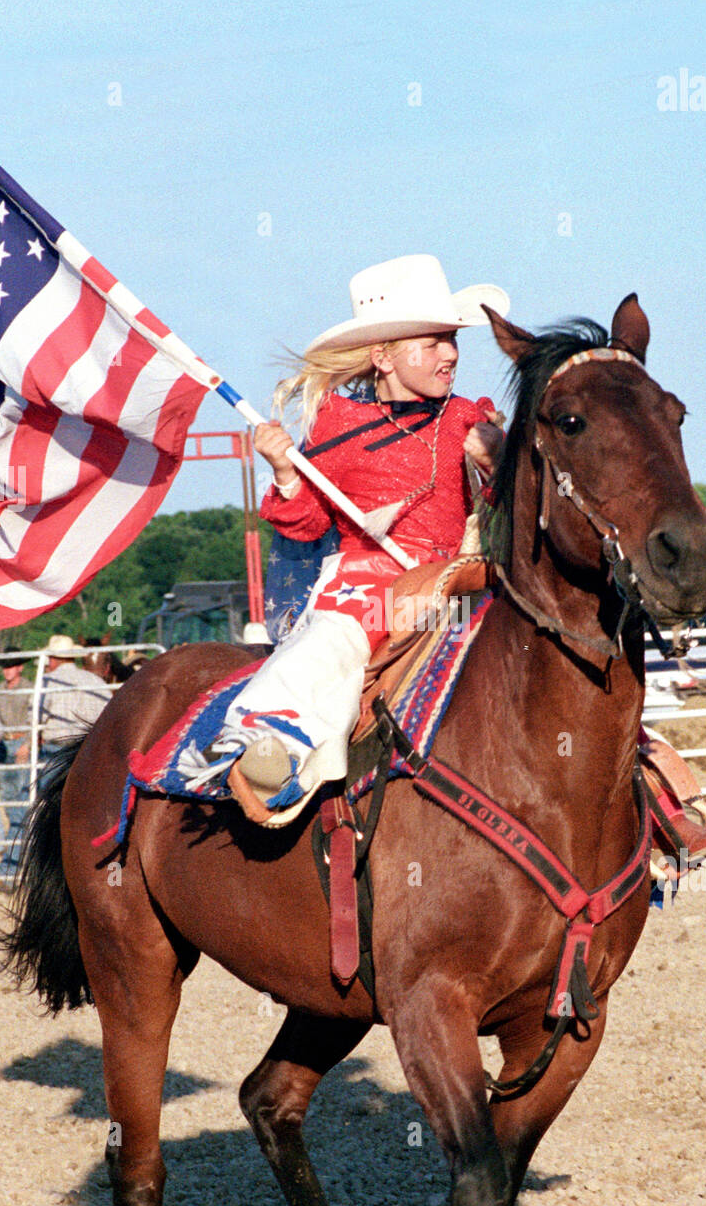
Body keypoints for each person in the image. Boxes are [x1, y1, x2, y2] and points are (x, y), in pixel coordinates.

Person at [200, 254, 509, 822]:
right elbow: (310, 524)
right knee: (333, 641)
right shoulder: (338, 426)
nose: (451, 354)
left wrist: (502, 465)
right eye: (434, 340)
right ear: (382, 355)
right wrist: (288, 474)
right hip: (373, 583)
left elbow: (509, 506)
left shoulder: (470, 418)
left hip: (463, 578)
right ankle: (272, 746)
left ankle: (654, 786)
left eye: (452, 340)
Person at [33, 635, 113, 759]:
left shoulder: (47, 681)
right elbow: (109, 714)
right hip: (89, 749)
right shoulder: (96, 681)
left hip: (56, 749)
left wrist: (31, 742)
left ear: (52, 659)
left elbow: (36, 717)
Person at [0, 657, 32, 874]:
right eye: (4, 667)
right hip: (4, 742)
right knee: (6, 799)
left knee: (18, 799)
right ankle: (9, 851)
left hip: (20, 742)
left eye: (11, 666)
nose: (7, 671)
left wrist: (27, 743)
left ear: (19, 667)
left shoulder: (29, 688)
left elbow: (35, 717)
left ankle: (13, 859)